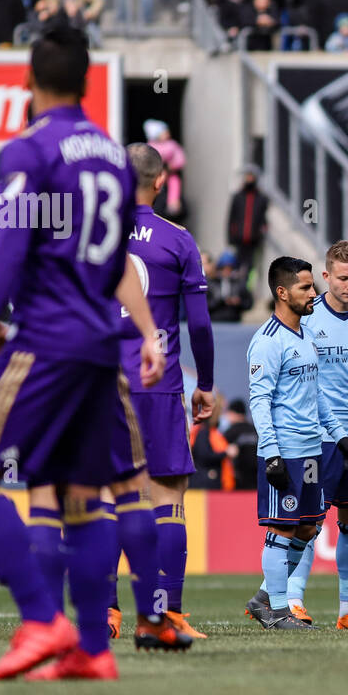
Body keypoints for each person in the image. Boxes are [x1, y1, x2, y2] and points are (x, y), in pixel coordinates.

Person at [0, 22, 189, 684]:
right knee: (86, 495)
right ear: (85, 80)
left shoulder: (28, 149)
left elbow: (7, 251)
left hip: (47, 339)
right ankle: (93, 649)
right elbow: (114, 265)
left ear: (29, 79)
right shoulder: (111, 157)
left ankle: (39, 618)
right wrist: (148, 337)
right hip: (101, 349)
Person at [245, 240, 348, 629]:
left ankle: (344, 610)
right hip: (305, 441)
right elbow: (262, 397)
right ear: (326, 275)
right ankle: (286, 602)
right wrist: (272, 450)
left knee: (346, 520)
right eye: (343, 278)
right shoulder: (295, 326)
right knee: (303, 524)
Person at [102, 142, 216, 640]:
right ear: (161, 180)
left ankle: (105, 612)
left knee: (107, 497)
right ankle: (167, 612)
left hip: (100, 382)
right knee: (167, 497)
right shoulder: (177, 240)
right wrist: (205, 384)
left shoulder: (91, 236)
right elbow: (201, 327)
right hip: (159, 384)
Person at [245, 256, 348, 630]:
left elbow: (317, 393)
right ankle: (276, 611)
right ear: (282, 292)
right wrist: (272, 453)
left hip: (312, 450)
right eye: (305, 287)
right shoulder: (267, 342)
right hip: (285, 452)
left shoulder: (305, 336)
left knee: (309, 527)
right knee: (283, 528)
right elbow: (259, 400)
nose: (314, 293)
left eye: (312, 286)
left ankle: (263, 597)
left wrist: (339, 434)